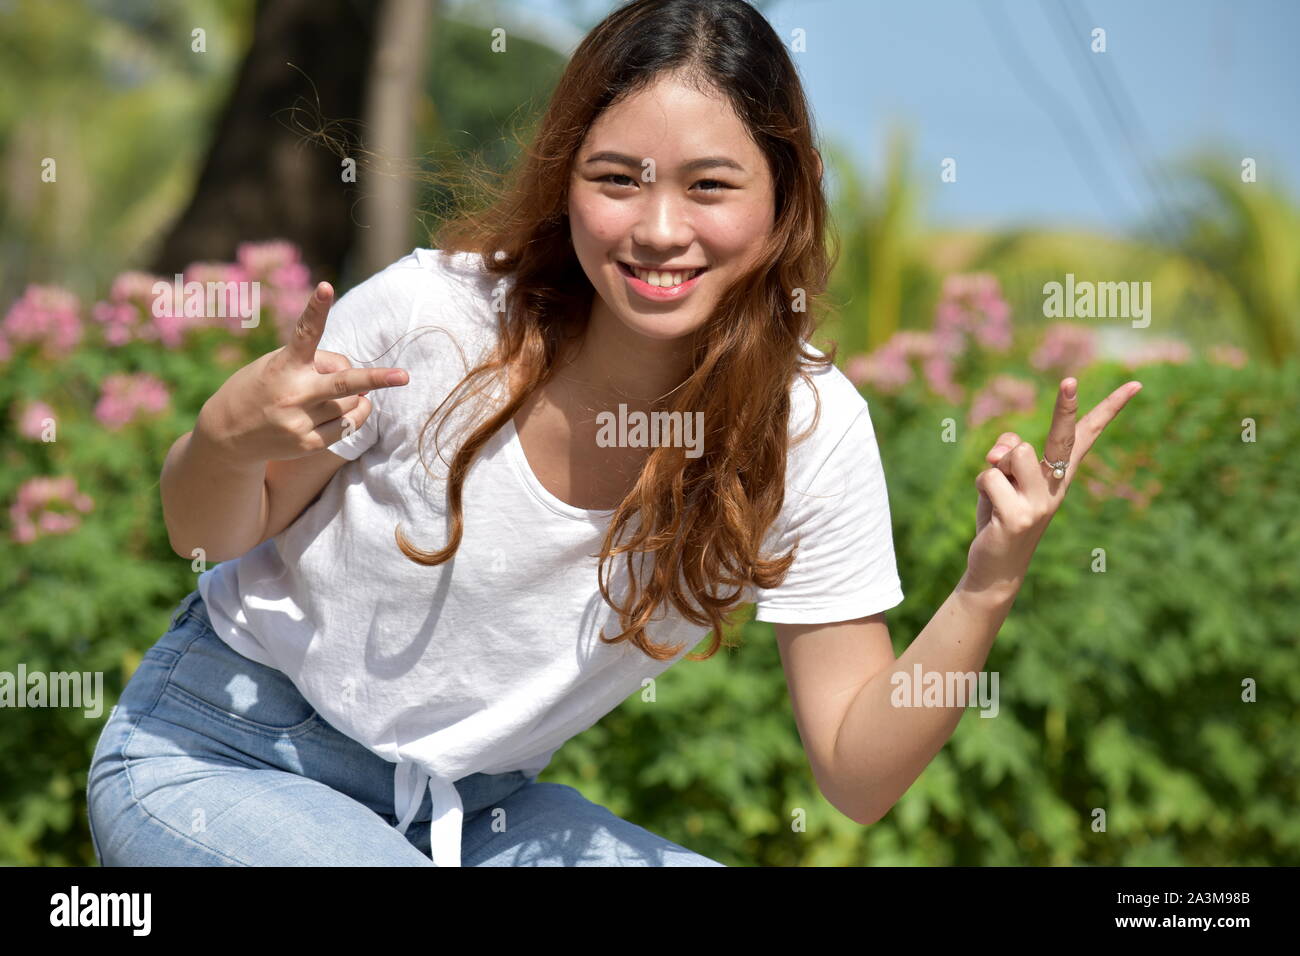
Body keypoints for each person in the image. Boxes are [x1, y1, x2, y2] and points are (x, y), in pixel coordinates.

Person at [86, 0, 1140, 867]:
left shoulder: (806, 430)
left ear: (783, 199)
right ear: (566, 177)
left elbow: (857, 770)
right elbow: (211, 533)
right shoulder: (436, 322)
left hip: (474, 816)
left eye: (710, 185)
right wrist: (224, 438)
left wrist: (989, 581)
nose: (658, 228)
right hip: (225, 750)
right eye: (616, 177)